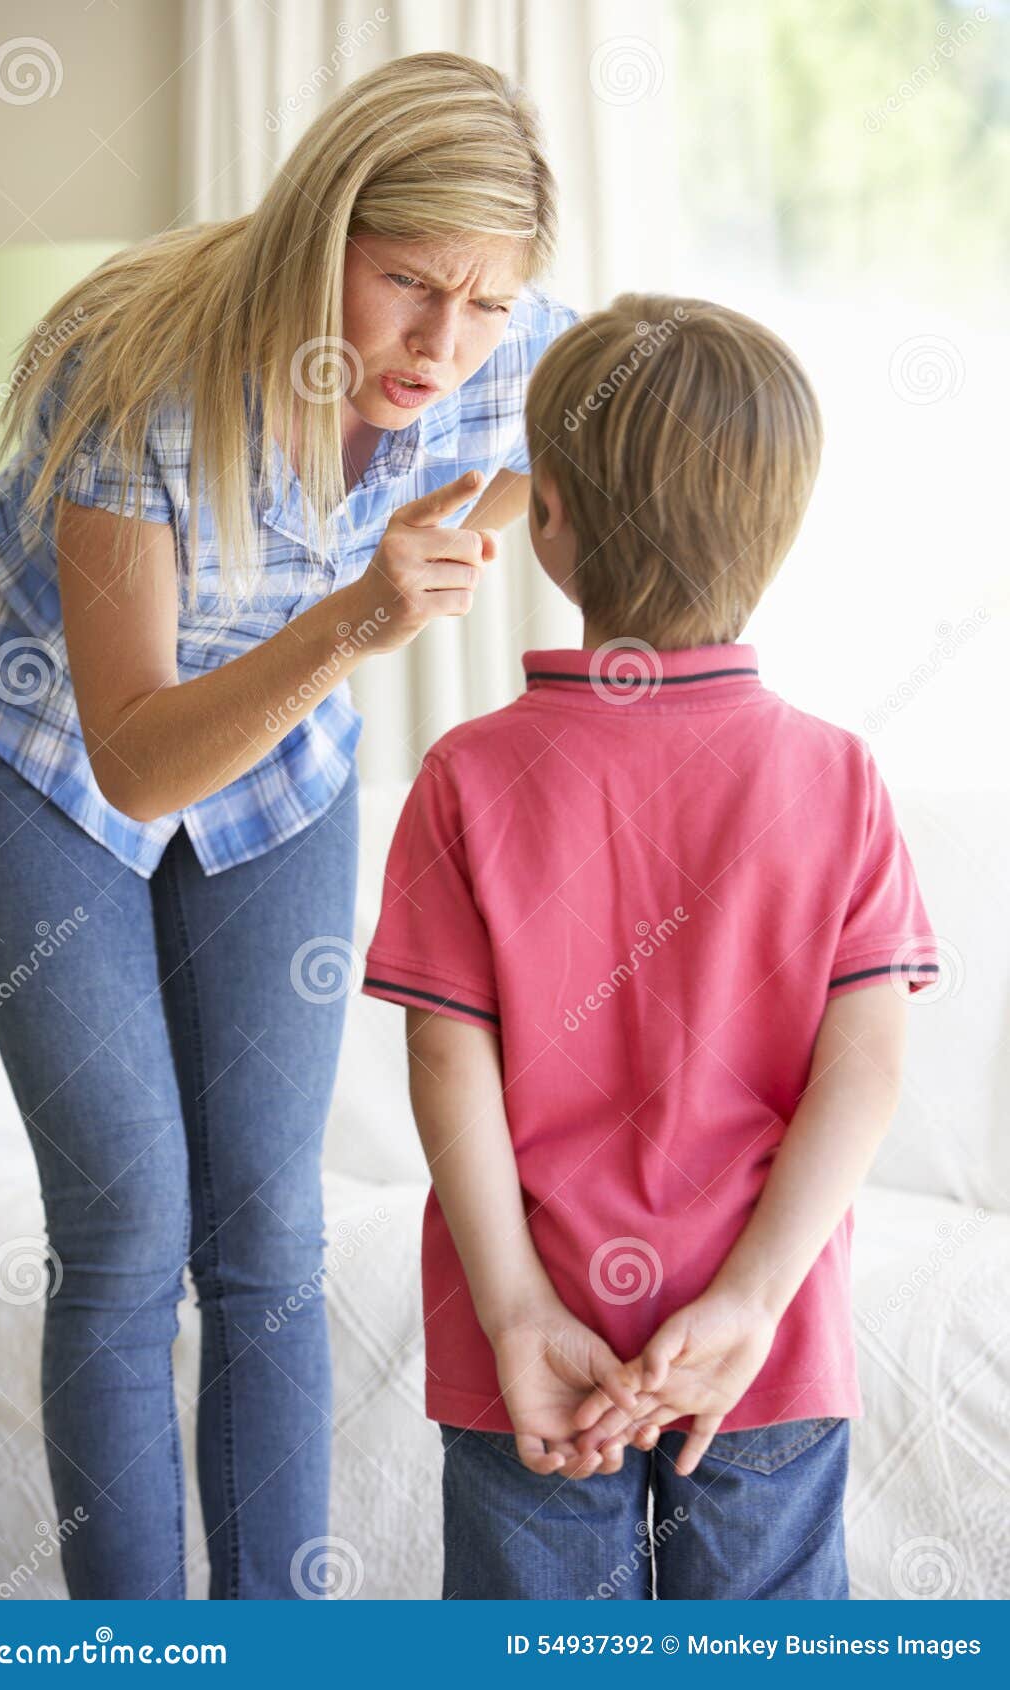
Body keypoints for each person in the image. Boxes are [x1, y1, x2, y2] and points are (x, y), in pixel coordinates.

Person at [0, 51, 579, 1599]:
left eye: (486, 299)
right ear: (323, 229)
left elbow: (566, 432)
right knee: (127, 1218)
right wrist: (364, 614)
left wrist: (456, 530)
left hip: (282, 755)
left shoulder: (512, 350)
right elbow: (138, 758)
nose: (445, 342)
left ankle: (276, 1644)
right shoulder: (142, 372)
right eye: (410, 281)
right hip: (36, 743)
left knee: (268, 1230)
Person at [360, 292, 941, 1600]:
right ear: (779, 529)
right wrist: (751, 1300)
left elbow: (447, 1066)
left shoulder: (466, 777)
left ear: (549, 515)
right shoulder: (837, 777)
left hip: (530, 1346)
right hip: (760, 1351)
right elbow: (866, 1071)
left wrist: (517, 1309)